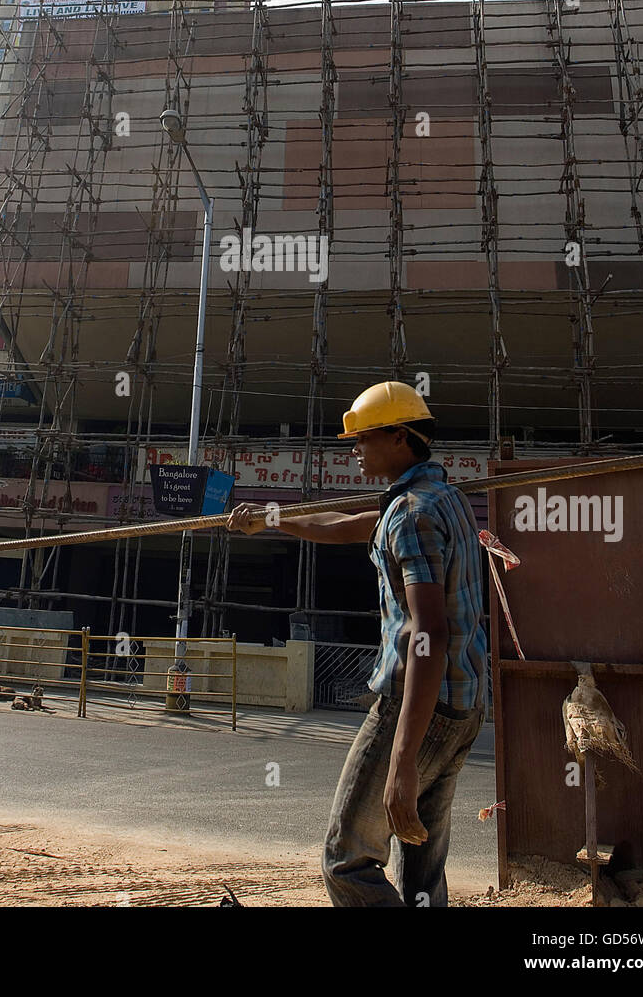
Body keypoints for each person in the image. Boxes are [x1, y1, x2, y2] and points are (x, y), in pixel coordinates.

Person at [227, 381, 487, 907]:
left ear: (398, 437)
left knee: (346, 860)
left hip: (415, 708)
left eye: (364, 438)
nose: (355, 450)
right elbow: (349, 527)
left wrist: (403, 759)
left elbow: (427, 634)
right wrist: (272, 518)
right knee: (422, 865)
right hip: (464, 705)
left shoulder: (411, 515)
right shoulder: (442, 499)